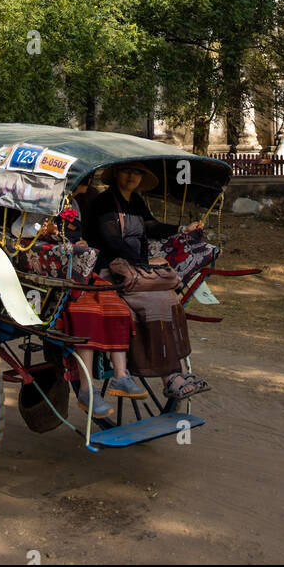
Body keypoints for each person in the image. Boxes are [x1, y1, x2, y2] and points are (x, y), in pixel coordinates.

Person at [84, 163, 209, 400]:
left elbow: (151, 226)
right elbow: (111, 241)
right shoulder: (103, 203)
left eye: (138, 172)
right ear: (116, 174)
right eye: (127, 171)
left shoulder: (136, 201)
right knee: (152, 304)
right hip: (110, 269)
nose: (132, 176)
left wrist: (182, 229)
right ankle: (169, 377)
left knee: (171, 301)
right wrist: (144, 265)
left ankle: (181, 371)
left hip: (137, 270)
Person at [58, 182, 146, 419]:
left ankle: (120, 375)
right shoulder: (40, 202)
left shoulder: (73, 203)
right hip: (54, 274)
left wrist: (79, 244)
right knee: (86, 310)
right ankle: (86, 388)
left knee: (114, 304)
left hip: (80, 269)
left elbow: (78, 236)